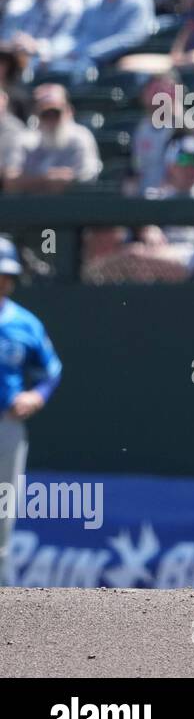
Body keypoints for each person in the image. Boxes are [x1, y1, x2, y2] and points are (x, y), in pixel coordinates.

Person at [0, 237, 63, 586]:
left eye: (5, 275)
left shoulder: (23, 322)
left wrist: (36, 395)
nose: (2, 282)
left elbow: (51, 369)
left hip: (5, 425)